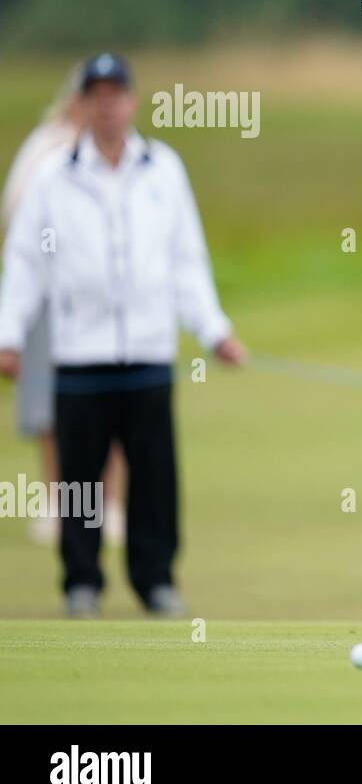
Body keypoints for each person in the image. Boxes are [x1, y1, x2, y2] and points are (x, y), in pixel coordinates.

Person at [0, 53, 246, 617]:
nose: (108, 106)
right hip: (79, 353)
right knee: (79, 479)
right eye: (97, 96)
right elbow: (24, 264)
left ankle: (155, 578)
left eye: (116, 95)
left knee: (154, 474)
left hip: (146, 350)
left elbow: (187, 260)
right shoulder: (54, 178)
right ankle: (81, 580)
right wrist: (9, 335)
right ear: (83, 105)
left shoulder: (163, 170)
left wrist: (214, 331)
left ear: (131, 101)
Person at [2, 66, 127, 548]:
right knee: (50, 412)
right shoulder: (46, 148)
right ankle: (61, 504)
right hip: (50, 304)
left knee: (115, 409)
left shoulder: (127, 152)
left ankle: (110, 504)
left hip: (106, 308)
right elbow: (17, 219)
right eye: (93, 97)